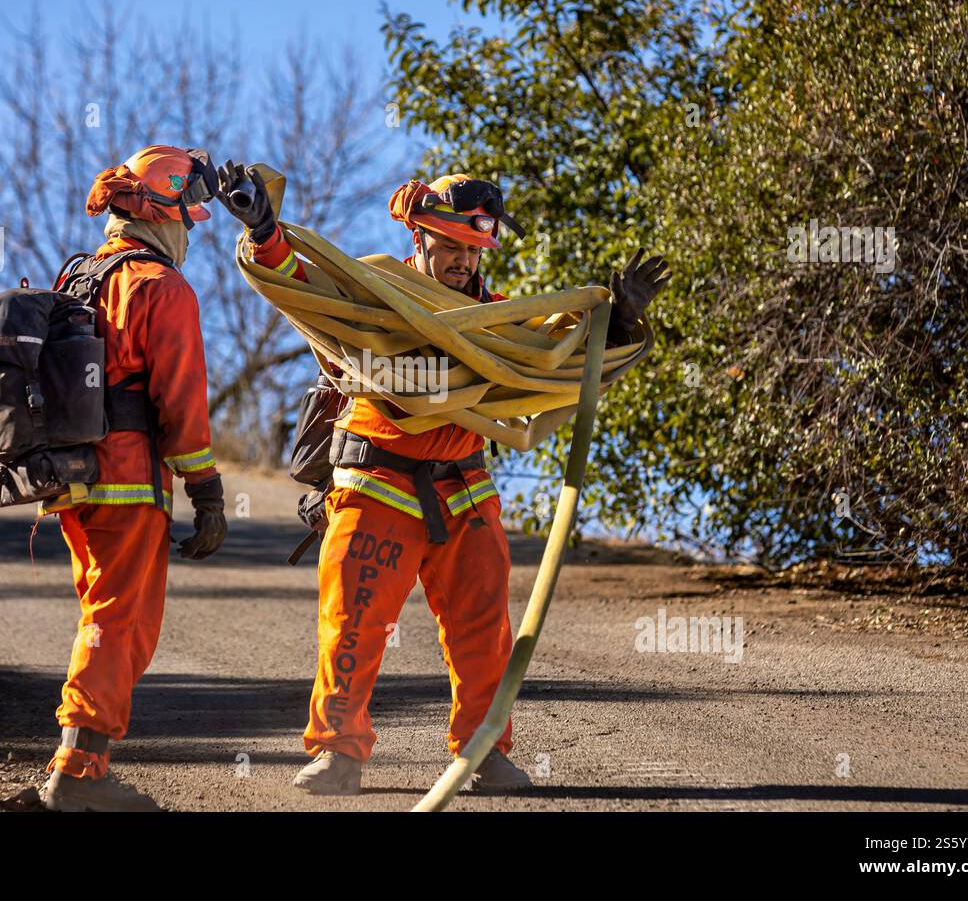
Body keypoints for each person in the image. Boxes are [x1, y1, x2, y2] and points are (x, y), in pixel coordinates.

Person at [218, 165, 669, 796]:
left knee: (484, 630)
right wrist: (265, 233)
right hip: (377, 484)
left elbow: (560, 368)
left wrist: (617, 324)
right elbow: (305, 290)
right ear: (421, 239)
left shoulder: (502, 328)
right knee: (353, 622)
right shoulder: (372, 299)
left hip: (465, 489)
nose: (462, 260)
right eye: (450, 245)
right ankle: (337, 753)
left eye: (472, 248)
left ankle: (484, 751)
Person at [39, 145, 228, 811]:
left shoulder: (78, 278)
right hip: (128, 482)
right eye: (189, 219)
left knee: (104, 616)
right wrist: (205, 490)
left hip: (73, 482)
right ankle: (77, 773)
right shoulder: (162, 287)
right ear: (162, 212)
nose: (189, 235)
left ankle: (87, 763)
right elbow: (181, 400)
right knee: (120, 621)